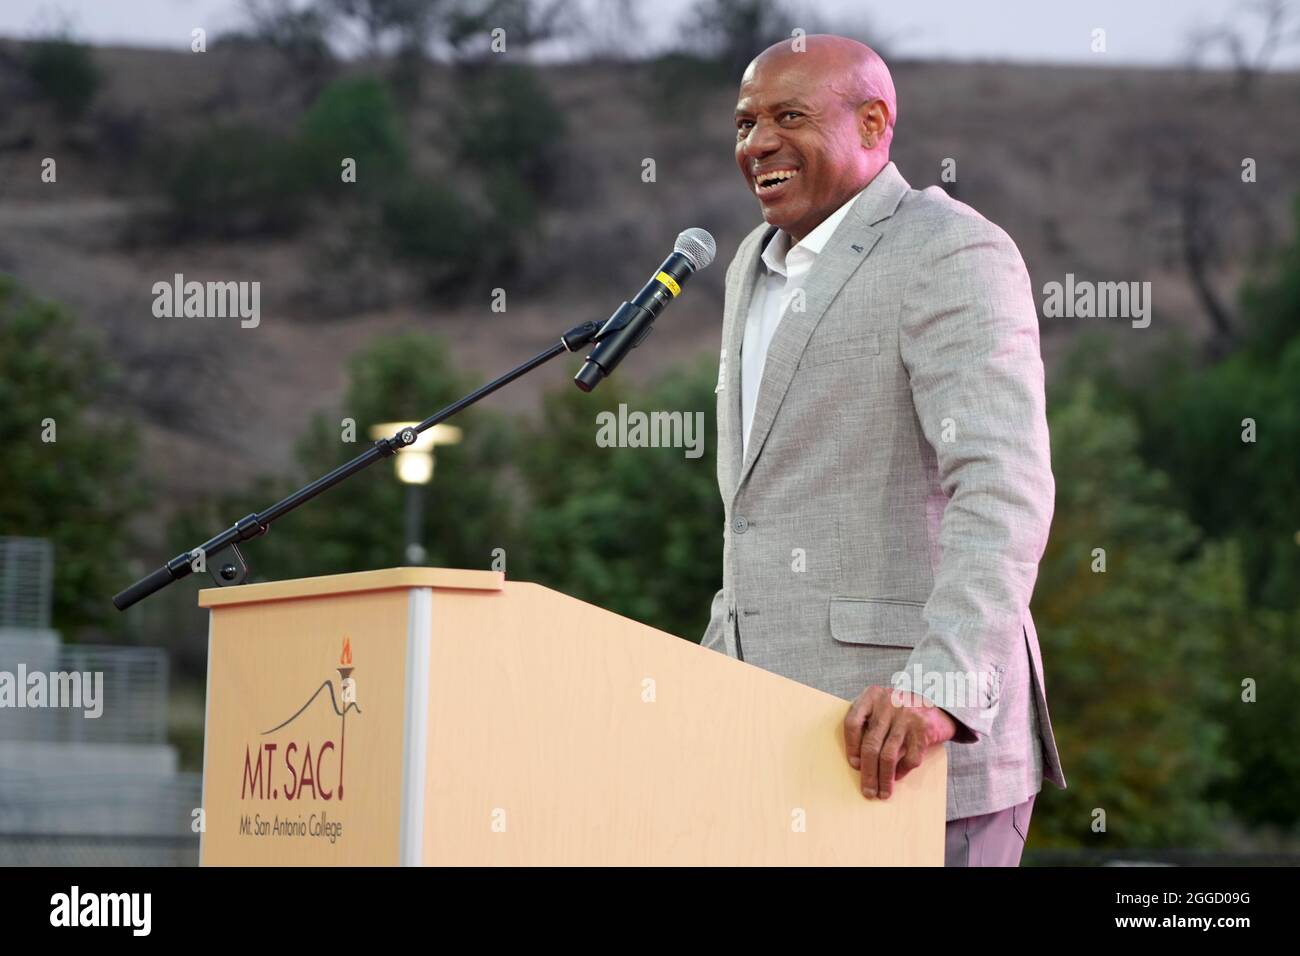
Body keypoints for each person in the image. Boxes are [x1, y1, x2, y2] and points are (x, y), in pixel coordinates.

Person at [700, 34, 1065, 866]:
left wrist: (939, 684)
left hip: (912, 750)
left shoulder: (948, 249)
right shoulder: (749, 269)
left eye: (789, 115)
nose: (756, 142)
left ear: (873, 124)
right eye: (745, 121)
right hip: (769, 744)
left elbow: (1003, 485)